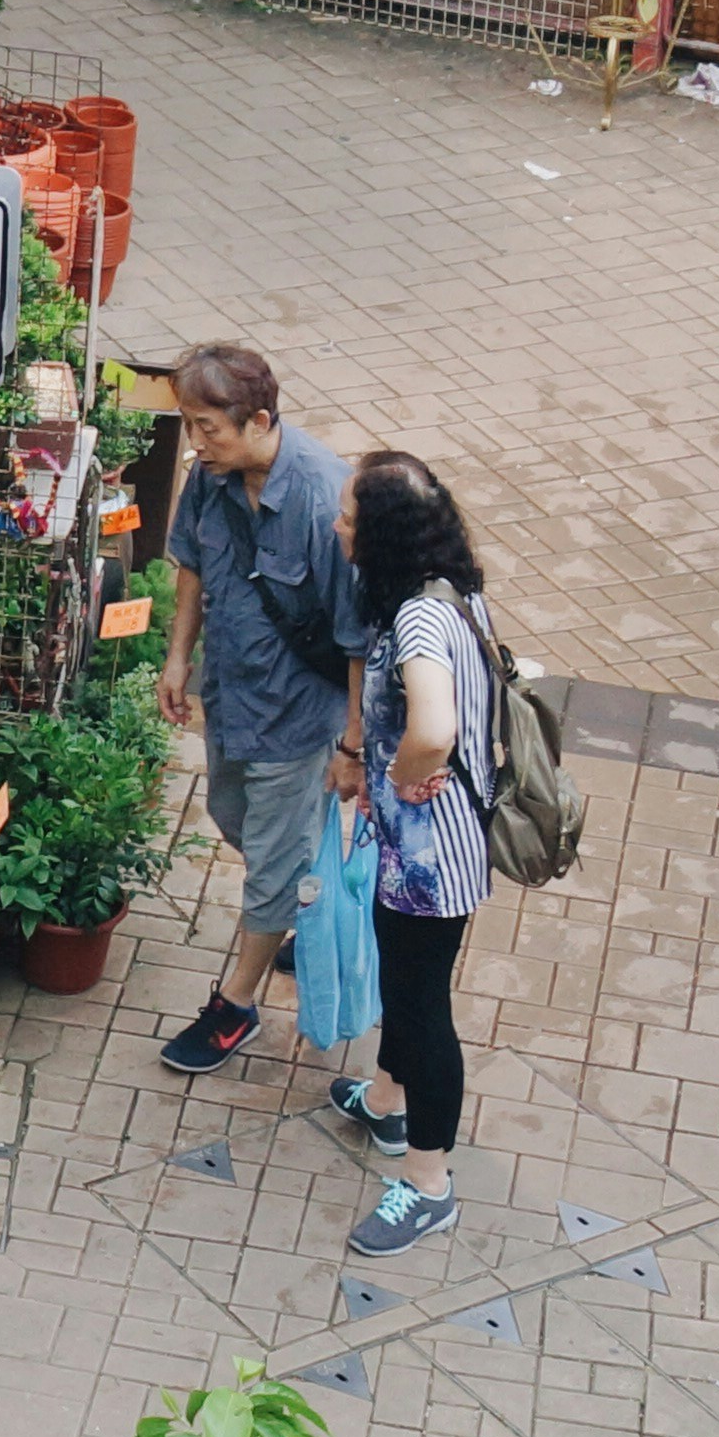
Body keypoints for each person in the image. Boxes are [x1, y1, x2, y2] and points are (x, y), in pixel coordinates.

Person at [152, 343, 358, 1077]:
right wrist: (179, 657)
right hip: (233, 697)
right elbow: (193, 566)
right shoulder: (210, 477)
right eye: (189, 424)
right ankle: (308, 901)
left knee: (269, 858)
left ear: (260, 420)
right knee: (231, 816)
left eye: (208, 426)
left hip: (301, 715)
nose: (196, 442)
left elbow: (359, 636)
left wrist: (353, 744)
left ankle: (236, 1003)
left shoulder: (324, 499)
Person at [329, 448, 502, 1258]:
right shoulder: (445, 592)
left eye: (351, 518)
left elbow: (436, 727)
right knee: (405, 983)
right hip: (423, 849)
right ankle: (388, 1100)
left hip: (433, 857)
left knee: (423, 1007)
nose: (338, 526)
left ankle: (428, 1183)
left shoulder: (422, 620)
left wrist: (399, 774)